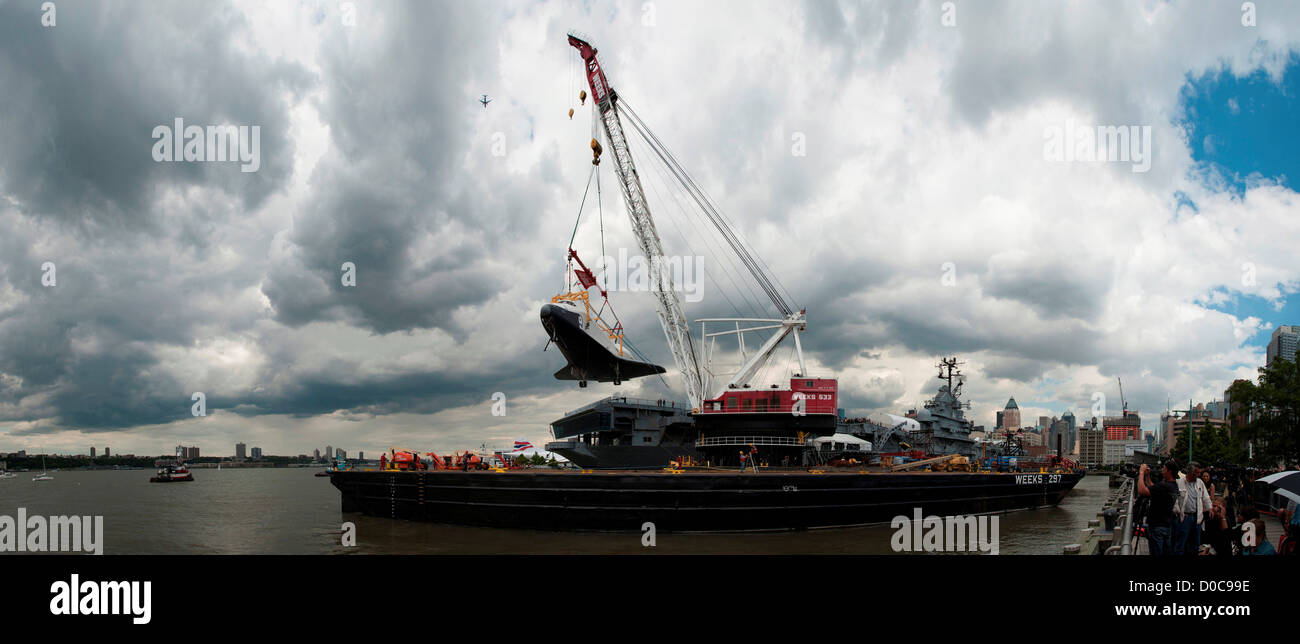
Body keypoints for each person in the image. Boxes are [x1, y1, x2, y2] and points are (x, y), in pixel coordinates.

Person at [1137, 460, 1180, 556]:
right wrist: (1148, 476)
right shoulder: (1173, 486)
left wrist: (1141, 473)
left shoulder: (1164, 486)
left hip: (1157, 526)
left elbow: (1141, 490)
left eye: (1164, 469)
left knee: (1156, 551)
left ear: (1169, 472)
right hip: (1166, 525)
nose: (1162, 471)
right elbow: (1153, 488)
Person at [1173, 462, 1212, 556]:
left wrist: (1210, 508)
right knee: (1181, 543)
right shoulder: (1179, 482)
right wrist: (1178, 511)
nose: (1198, 475)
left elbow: (1205, 497)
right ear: (1189, 472)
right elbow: (1174, 500)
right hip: (1184, 517)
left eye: (1199, 473)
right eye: (1196, 473)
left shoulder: (1200, 483)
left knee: (1195, 544)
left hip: (1197, 517)